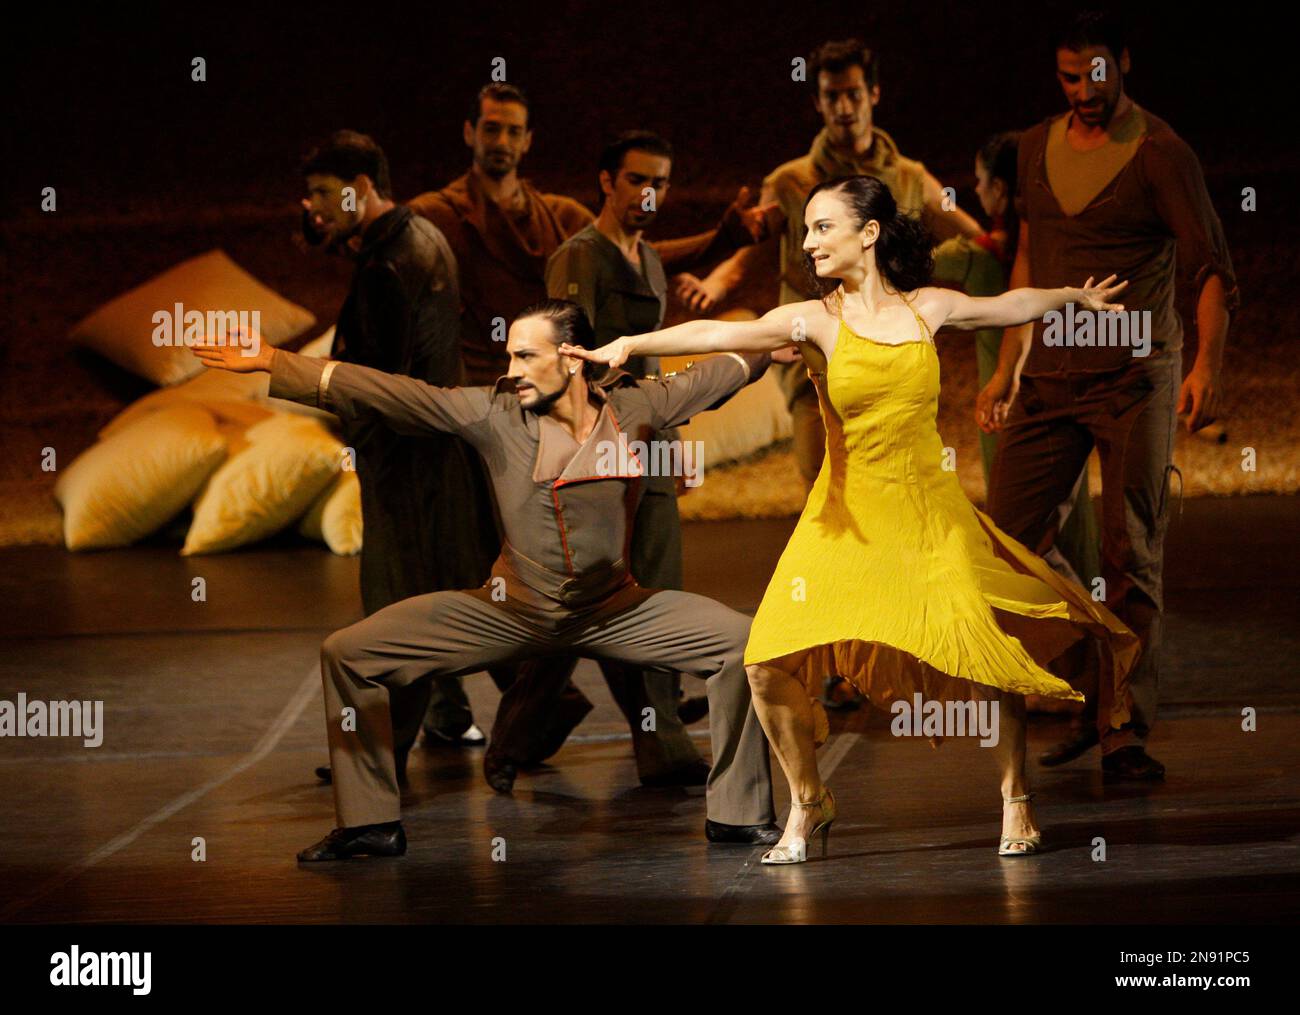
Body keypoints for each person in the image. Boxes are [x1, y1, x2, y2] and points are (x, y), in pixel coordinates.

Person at [563, 175, 1140, 863]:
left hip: (929, 512)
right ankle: (810, 801)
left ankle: (1016, 794)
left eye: (821, 228)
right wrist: (630, 341)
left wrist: (1073, 297)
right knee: (766, 660)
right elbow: (725, 329)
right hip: (844, 517)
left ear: (868, 233)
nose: (807, 243)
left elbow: (1007, 304)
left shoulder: (928, 306)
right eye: (805, 230)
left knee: (983, 648)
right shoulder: (816, 320)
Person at [193, 300, 780, 860]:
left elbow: (718, 374)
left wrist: (779, 342)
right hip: (512, 607)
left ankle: (737, 813)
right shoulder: (493, 413)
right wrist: (276, 361)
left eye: (526, 356)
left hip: (615, 609)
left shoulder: (636, 407)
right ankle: (368, 826)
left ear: (572, 358)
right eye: (509, 356)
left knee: (742, 644)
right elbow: (396, 394)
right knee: (350, 654)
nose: (512, 370)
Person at [409, 87, 775, 779]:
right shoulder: (579, 256)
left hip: (648, 444)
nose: (648, 193)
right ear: (607, 181)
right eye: (636, 179)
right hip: (603, 450)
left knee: (615, 603)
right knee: (615, 598)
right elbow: (568, 363)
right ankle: (651, 743)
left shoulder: (646, 257)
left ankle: (538, 734)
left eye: (660, 183)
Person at [976, 11, 1238, 778]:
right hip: (1052, 378)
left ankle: (1123, 727)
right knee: (1008, 541)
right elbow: (1029, 255)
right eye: (1068, 76)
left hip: (1135, 377)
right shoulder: (1031, 146)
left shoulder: (1161, 153)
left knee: (1131, 551)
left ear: (1122, 63)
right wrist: (1006, 367)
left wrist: (1205, 367)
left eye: (1095, 72)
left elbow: (1212, 264)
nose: (1083, 90)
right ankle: (1095, 680)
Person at [680, 38, 983, 491]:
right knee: (824, 485)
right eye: (831, 96)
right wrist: (715, 283)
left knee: (896, 486)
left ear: (873, 95)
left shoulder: (908, 177)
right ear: (817, 101)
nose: (844, 106)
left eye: (854, 94)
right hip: (815, 360)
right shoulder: (790, 181)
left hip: (891, 356)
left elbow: (973, 239)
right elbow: (749, 255)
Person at [297, 130, 500, 783]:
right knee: (442, 590)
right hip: (435, 450)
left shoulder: (388, 265)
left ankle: (380, 750)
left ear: (360, 190)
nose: (312, 208)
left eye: (324, 195)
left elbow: (375, 381)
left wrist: (328, 393)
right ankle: (488, 708)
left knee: (392, 606)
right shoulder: (418, 237)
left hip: (405, 460)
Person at [936, 131, 1101, 590]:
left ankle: (1074, 622)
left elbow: (913, 264)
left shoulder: (977, 258)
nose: (976, 191)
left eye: (980, 182)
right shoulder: (1052, 254)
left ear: (1001, 191)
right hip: (1064, 392)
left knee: (1020, 528)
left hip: (1008, 405)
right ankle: (1090, 609)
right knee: (1064, 513)